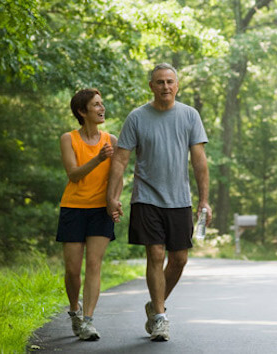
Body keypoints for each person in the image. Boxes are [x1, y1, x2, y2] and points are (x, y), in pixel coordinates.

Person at [107, 63, 211, 342]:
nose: (165, 86)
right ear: (151, 86)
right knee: (155, 254)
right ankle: (161, 319)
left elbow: (199, 161)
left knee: (180, 259)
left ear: (177, 86)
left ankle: (155, 305)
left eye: (170, 82)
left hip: (179, 200)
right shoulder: (137, 118)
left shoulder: (190, 115)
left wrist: (204, 201)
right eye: (159, 82)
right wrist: (112, 196)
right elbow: (120, 159)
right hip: (147, 197)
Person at [57, 88, 116, 341]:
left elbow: (118, 175)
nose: (101, 108)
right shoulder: (68, 139)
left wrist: (114, 200)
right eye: (95, 105)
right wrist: (98, 159)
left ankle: (89, 321)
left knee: (93, 264)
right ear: (82, 111)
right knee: (72, 269)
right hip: (73, 208)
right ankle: (75, 310)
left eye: (102, 104)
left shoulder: (111, 140)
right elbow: (74, 174)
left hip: (100, 211)